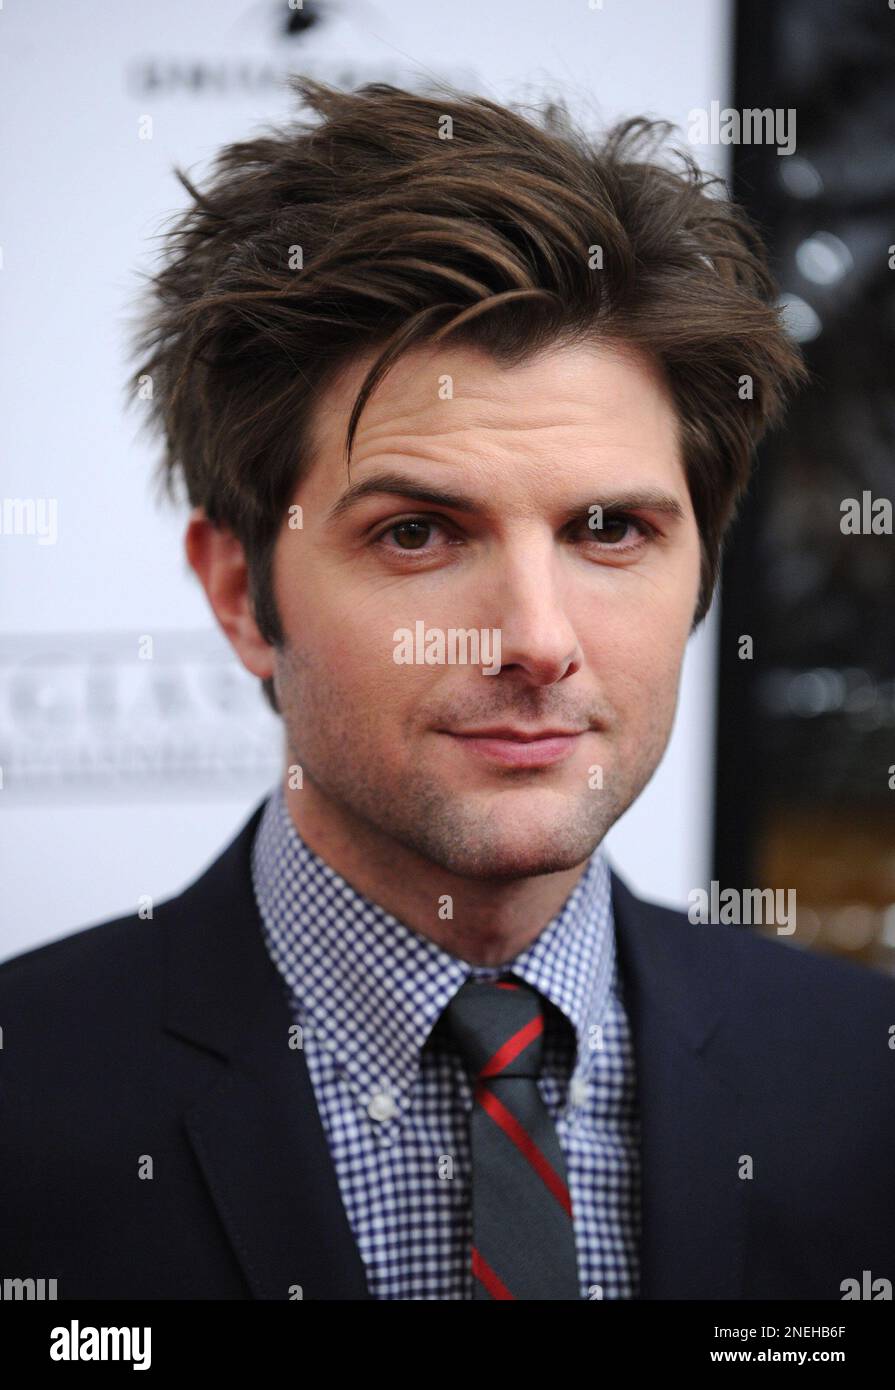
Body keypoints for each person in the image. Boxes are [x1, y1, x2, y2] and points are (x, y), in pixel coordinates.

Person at [2, 76, 893, 1302]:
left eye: (608, 530)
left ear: (701, 569)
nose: (536, 639)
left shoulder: (861, 1081)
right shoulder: (26, 1099)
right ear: (237, 591)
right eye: (418, 533)